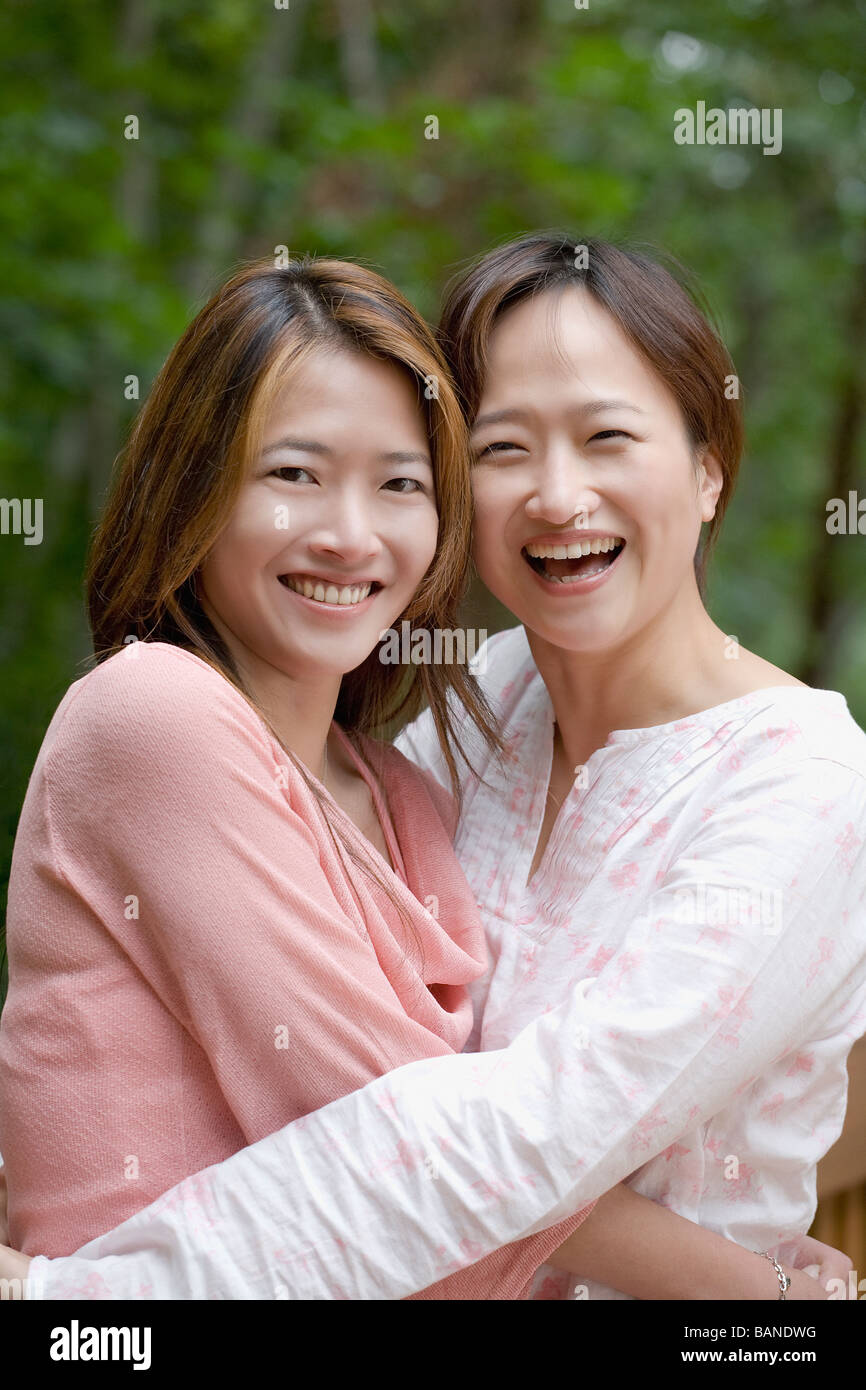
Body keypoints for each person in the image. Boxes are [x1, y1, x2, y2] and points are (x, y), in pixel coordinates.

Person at [2, 237, 864, 1300]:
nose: (557, 494)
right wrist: (760, 1290)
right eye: (502, 449)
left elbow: (497, 1132)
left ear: (704, 466)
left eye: (605, 436)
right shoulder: (476, 712)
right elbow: (388, 1109)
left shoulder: (800, 781)